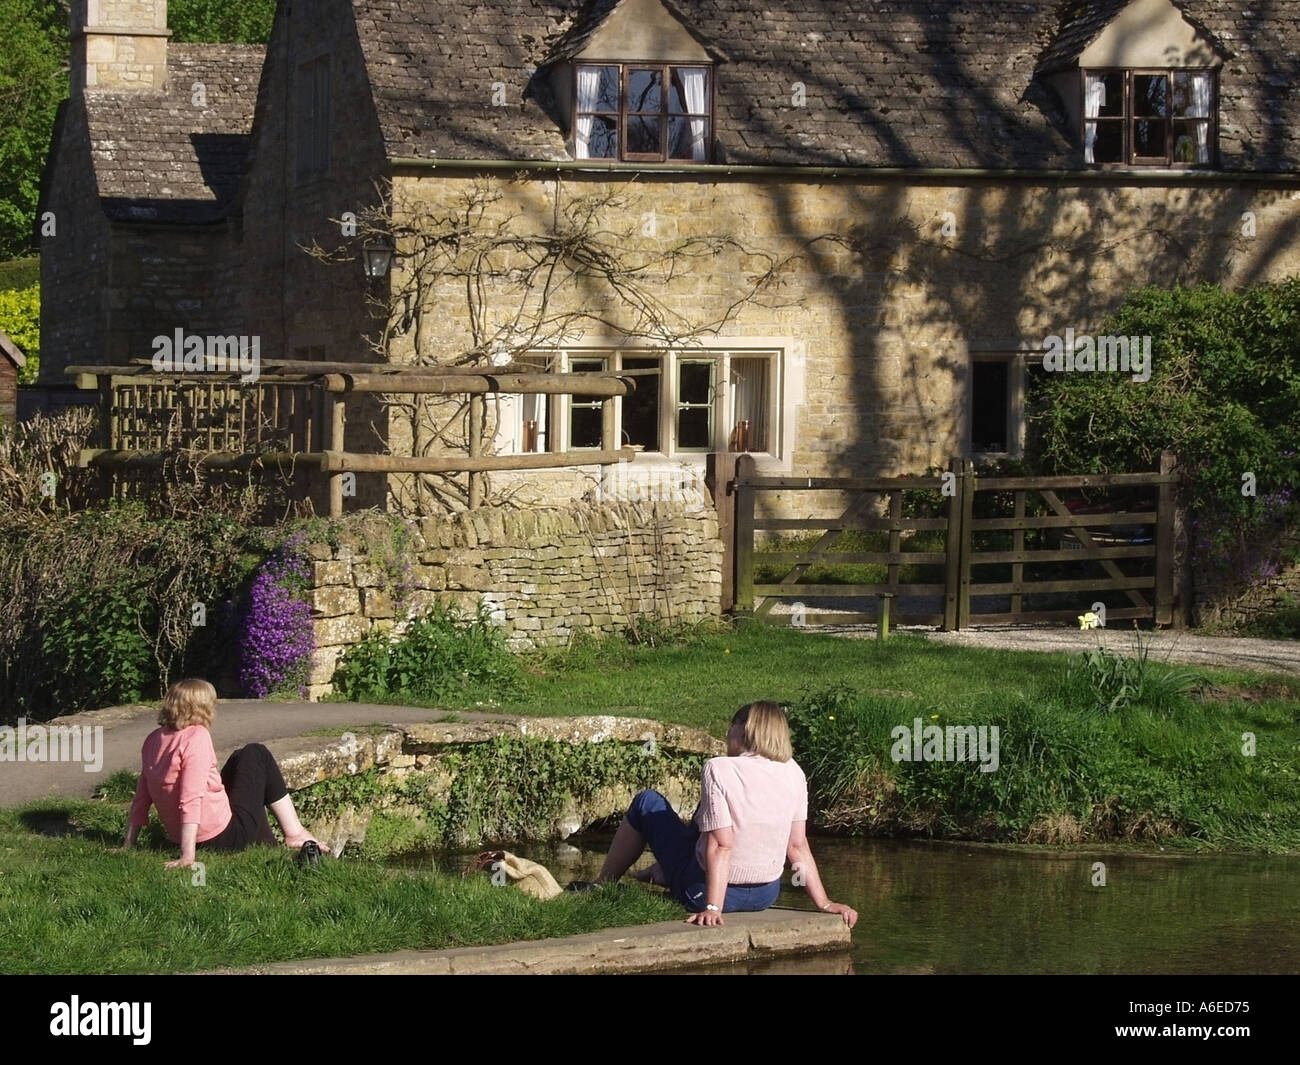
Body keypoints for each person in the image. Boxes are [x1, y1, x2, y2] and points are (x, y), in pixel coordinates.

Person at [589, 701, 857, 929]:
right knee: (702, 817)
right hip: (766, 894)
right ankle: (662, 872)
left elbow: (722, 845)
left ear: (745, 730)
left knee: (647, 801)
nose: (727, 735)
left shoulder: (719, 769)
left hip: (706, 892)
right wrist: (825, 903)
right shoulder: (794, 772)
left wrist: (713, 906)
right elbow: (797, 847)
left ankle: (602, 884)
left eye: (731, 728)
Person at [122, 678, 327, 867]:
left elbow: (142, 795)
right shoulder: (196, 737)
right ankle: (295, 833)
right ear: (202, 708)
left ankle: (267, 841)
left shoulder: (153, 740)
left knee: (240, 757)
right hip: (224, 839)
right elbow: (190, 798)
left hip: (181, 836)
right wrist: (187, 857)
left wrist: (128, 844)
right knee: (257, 753)